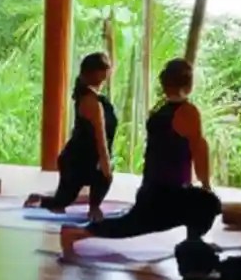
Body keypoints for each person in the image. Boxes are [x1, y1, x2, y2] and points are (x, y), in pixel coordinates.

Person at [61, 59, 221, 258]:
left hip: (152, 193)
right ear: (189, 84)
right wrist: (206, 185)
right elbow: (200, 151)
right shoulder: (188, 112)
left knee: (130, 225)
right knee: (209, 203)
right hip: (166, 197)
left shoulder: (160, 111)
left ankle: (80, 231)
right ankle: (194, 242)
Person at [26, 52, 116, 221]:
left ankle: (94, 207)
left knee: (102, 175)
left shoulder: (94, 97)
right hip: (76, 161)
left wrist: (105, 163)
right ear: (97, 73)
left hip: (87, 158)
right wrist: (105, 162)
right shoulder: (90, 101)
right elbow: (100, 135)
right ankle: (38, 199)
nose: (110, 71)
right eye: (107, 68)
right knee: (61, 202)